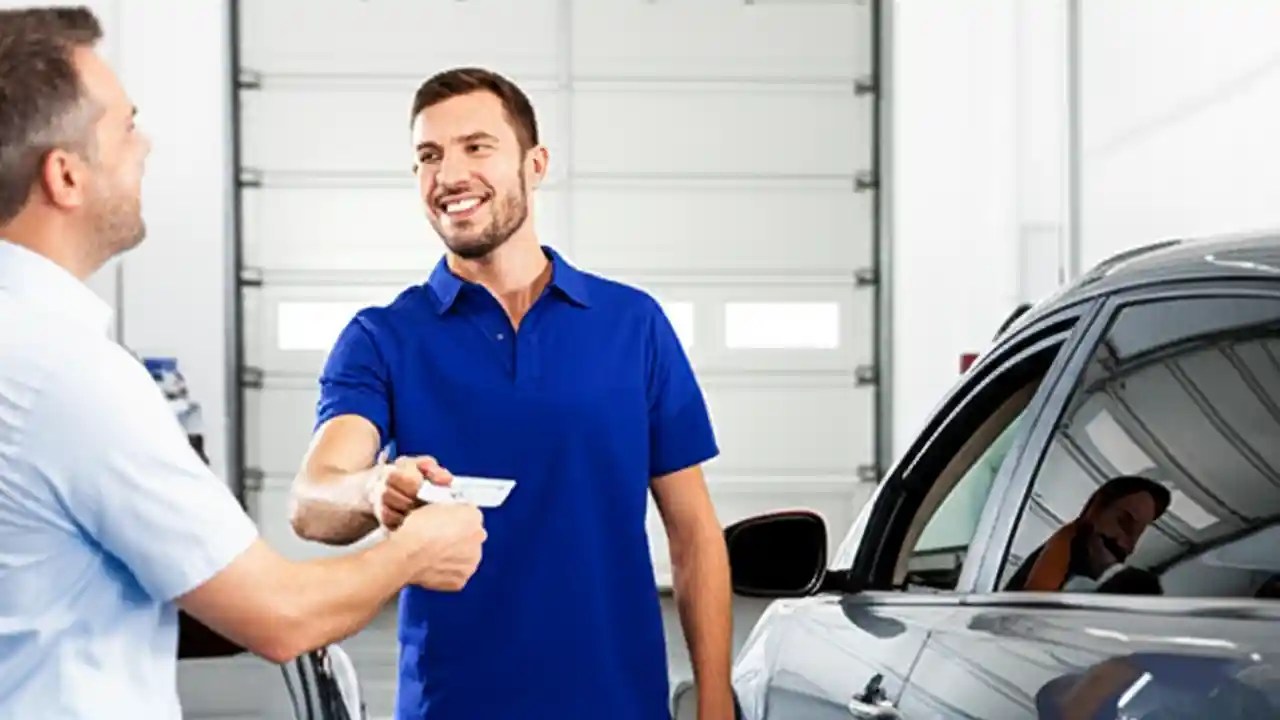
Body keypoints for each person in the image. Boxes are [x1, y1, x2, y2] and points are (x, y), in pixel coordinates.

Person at [0, 8, 487, 718]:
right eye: (127, 127)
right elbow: (279, 615)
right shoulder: (70, 378)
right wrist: (413, 551)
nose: (147, 146)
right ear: (66, 176)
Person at [289, 67, 735, 719]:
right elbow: (311, 499)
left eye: (477, 147)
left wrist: (715, 701)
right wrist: (370, 488)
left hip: (617, 705)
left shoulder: (632, 325)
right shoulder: (383, 337)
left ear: (535, 164)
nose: (449, 175)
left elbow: (693, 531)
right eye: (428, 156)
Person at [1005, 475, 1170, 593]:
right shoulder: (1050, 568)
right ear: (1094, 509)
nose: (1129, 546)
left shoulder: (1086, 584)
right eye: (1123, 522)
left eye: (1138, 534)